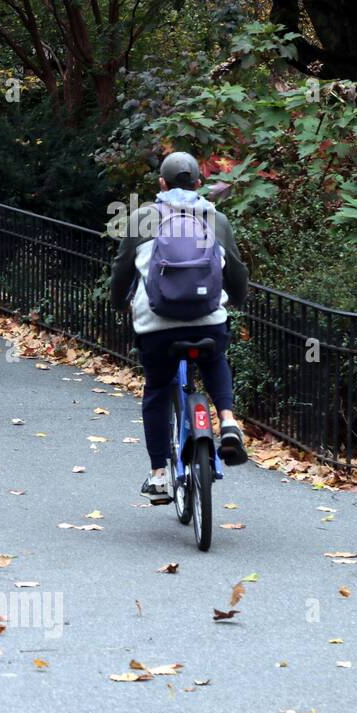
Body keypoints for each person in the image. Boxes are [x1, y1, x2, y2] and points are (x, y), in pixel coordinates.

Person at [109, 150, 249, 504]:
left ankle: (158, 476)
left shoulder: (142, 218)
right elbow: (235, 271)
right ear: (199, 184)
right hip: (207, 319)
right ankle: (228, 421)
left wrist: (118, 302)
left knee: (157, 388)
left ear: (161, 183)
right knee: (215, 359)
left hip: (157, 325)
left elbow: (121, 269)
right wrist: (236, 298)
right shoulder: (215, 219)